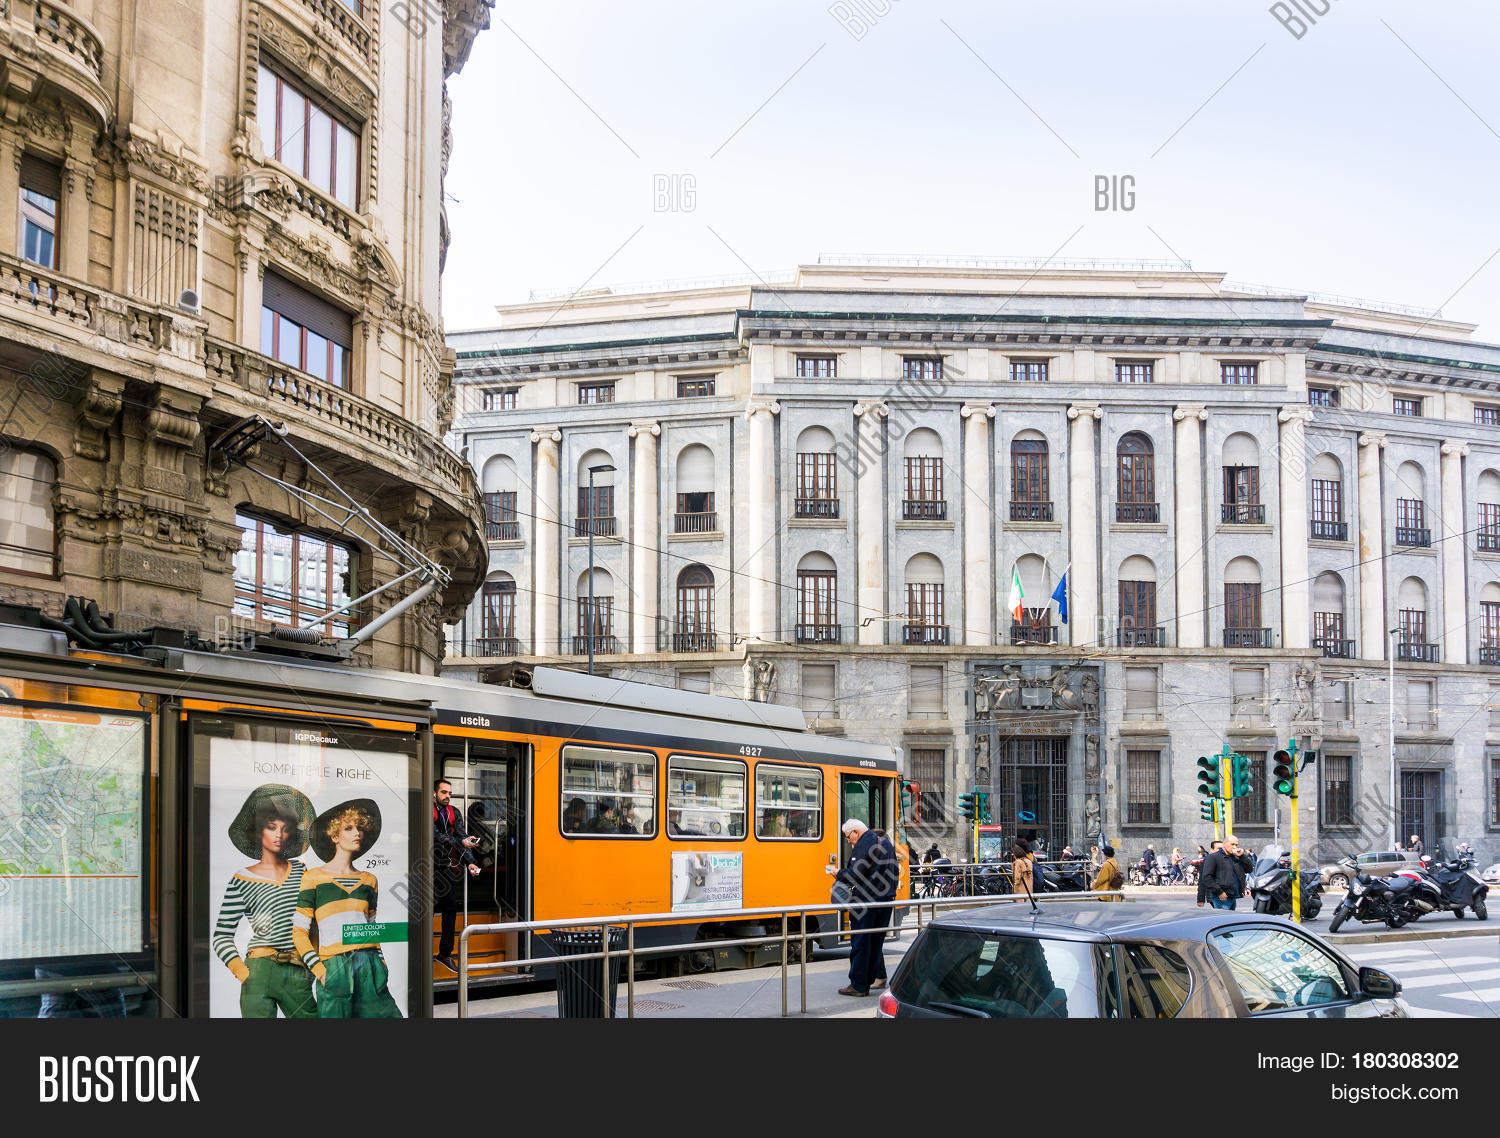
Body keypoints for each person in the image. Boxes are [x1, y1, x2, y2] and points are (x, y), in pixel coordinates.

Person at [211, 784, 318, 1018]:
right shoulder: (241, 879)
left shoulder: (302, 872)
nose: (278, 835)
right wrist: (241, 971)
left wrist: (312, 967)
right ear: (259, 831)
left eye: (284, 828)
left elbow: (314, 924)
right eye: (272, 827)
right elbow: (221, 935)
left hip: (296, 969)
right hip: (258, 969)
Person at [294, 799, 402, 1017]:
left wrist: (381, 963)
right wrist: (321, 971)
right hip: (335, 965)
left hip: (370, 963)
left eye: (360, 828)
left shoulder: (369, 880)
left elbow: (371, 925)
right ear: (334, 836)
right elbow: (298, 930)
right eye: (349, 828)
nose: (357, 833)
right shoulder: (314, 877)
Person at [833, 819, 899, 996]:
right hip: (886, 900)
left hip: (866, 902)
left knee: (861, 943)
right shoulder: (884, 842)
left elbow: (854, 875)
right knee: (875, 943)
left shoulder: (863, 844)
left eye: (848, 837)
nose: (848, 841)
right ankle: (868, 981)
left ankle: (858, 985)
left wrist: (837, 873)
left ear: (855, 832)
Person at [432, 778, 480, 972]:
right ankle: (422, 951)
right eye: (444, 792)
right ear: (434, 793)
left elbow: (461, 836)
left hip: (445, 868)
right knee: (427, 911)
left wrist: (470, 862)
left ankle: (445, 954)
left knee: (450, 908)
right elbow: (435, 835)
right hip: (426, 867)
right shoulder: (428, 810)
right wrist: (461, 843)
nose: (447, 797)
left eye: (450, 793)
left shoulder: (454, 812)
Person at [1199, 834, 1252, 910]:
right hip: (1221, 897)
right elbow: (1206, 877)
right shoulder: (1213, 857)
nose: (1234, 847)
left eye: (1236, 845)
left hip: (1232, 896)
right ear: (1224, 844)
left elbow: (1249, 869)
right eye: (1232, 844)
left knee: (1230, 920)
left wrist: (1242, 856)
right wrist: (1219, 892)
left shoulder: (1235, 857)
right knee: (1223, 919)